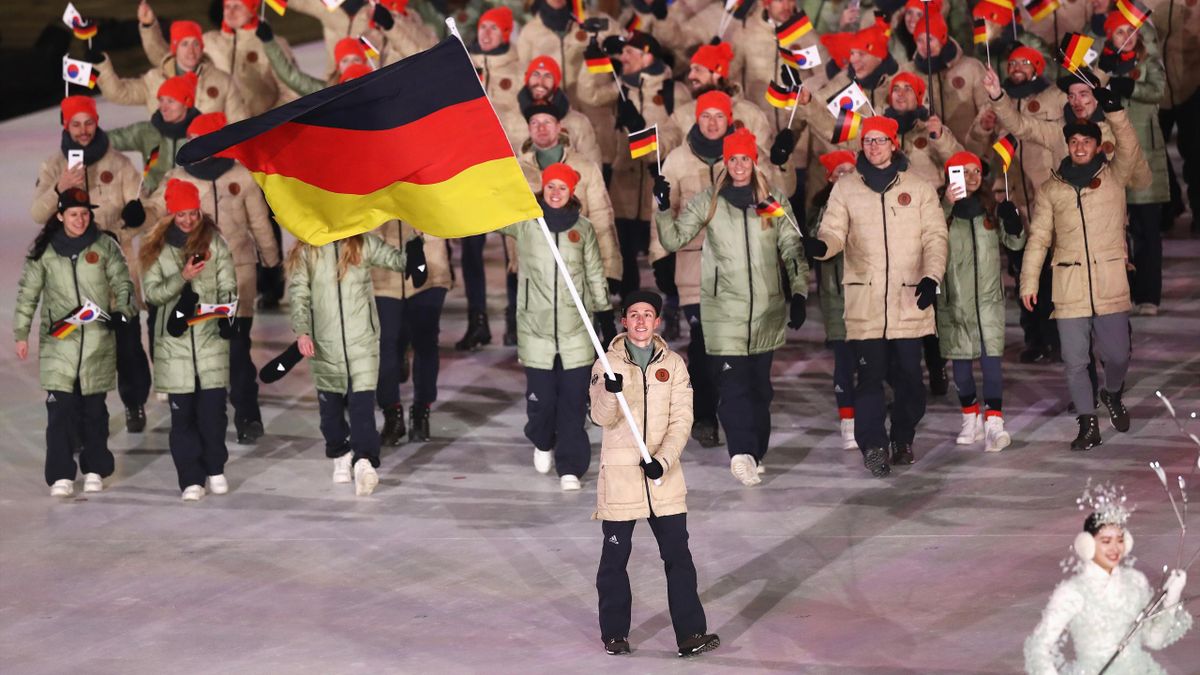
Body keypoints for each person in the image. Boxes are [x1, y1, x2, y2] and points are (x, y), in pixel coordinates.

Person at [656, 128, 808, 486]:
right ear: (725, 162)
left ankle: (754, 451)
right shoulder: (709, 201)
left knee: (760, 390)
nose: (739, 165)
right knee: (733, 386)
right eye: (733, 159)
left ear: (754, 162)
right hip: (723, 311)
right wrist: (664, 208)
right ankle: (740, 452)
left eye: (745, 158)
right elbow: (674, 238)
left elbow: (792, 248)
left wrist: (799, 292)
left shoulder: (772, 201)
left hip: (766, 311)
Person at [805, 116, 948, 477]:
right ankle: (873, 445)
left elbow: (935, 237)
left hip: (908, 298)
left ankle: (902, 437)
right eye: (868, 141)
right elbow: (833, 231)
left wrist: (931, 277)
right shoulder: (847, 189)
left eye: (880, 140)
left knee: (910, 381)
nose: (874, 147)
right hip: (866, 301)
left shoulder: (918, 187)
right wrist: (821, 247)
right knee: (868, 378)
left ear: (894, 143)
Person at [589, 290, 720, 659]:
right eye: (634, 314)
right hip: (620, 479)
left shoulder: (674, 364)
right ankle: (615, 634)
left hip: (663, 479)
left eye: (648, 314)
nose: (642, 321)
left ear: (658, 321)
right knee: (614, 561)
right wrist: (612, 392)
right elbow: (600, 417)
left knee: (679, 557)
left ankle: (691, 633)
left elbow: (682, 420)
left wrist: (662, 460)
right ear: (624, 322)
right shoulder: (606, 363)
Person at [1019, 86, 1145, 451]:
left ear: (1095, 144)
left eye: (1085, 141)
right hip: (1069, 282)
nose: (1078, 147)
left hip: (1109, 280)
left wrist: (1116, 111)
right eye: (1072, 141)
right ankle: (1088, 424)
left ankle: (1113, 392)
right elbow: (1040, 238)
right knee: (1075, 361)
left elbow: (1131, 148)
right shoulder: (1051, 190)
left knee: (1118, 355)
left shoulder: (1114, 177)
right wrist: (1029, 281)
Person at [147, 112, 281, 444]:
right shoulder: (178, 178)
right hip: (198, 278)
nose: (195, 146)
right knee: (205, 347)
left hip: (239, 273)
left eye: (200, 140)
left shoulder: (241, 176)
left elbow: (260, 222)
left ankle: (247, 415)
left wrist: (271, 260)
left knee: (238, 347)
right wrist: (137, 212)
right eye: (191, 141)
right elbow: (154, 211)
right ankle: (209, 405)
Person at [31, 96, 151, 433]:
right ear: (65, 126)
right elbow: (38, 214)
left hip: (117, 277)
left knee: (128, 347)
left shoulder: (120, 163)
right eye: (76, 124)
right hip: (75, 280)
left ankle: (134, 402)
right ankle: (83, 419)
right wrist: (60, 188)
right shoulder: (54, 166)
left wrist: (136, 215)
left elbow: (144, 205)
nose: (83, 131)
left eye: (89, 123)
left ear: (97, 122)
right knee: (83, 351)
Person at [14, 189, 135, 497]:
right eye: (73, 214)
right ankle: (61, 474)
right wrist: (21, 333)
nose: (80, 220)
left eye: (84, 214)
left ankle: (94, 468)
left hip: (96, 341)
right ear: (60, 216)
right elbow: (28, 293)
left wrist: (123, 311)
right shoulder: (46, 252)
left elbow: (123, 283)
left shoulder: (105, 246)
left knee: (94, 411)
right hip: (59, 343)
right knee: (60, 412)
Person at [502, 163, 611, 491]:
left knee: (573, 403)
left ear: (572, 192)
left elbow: (594, 273)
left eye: (562, 188)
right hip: (536, 330)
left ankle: (571, 466)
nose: (555, 192)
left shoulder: (584, 229)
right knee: (542, 402)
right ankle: (542, 438)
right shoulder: (526, 225)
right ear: (542, 189)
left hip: (576, 330)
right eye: (550, 186)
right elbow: (490, 217)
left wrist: (604, 314)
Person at [286, 231, 414, 497]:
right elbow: (299, 293)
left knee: (362, 406)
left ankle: (364, 460)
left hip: (362, 342)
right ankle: (339, 451)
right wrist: (302, 331)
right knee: (330, 414)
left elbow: (399, 261)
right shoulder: (308, 250)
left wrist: (416, 243)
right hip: (325, 343)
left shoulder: (362, 243)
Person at [578, 32, 689, 325]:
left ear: (647, 55)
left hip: (660, 185)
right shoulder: (621, 86)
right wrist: (592, 59)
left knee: (663, 252)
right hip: (624, 184)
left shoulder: (672, 91)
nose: (623, 58)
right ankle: (629, 310)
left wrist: (642, 129)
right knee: (625, 251)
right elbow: (589, 94)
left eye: (629, 52)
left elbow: (681, 137)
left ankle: (673, 306)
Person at [140, 180, 237, 502]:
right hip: (174, 346)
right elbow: (152, 293)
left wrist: (224, 311)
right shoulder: (155, 247)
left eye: (193, 213)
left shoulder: (216, 244)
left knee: (213, 415)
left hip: (210, 343)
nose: (188, 220)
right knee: (182, 418)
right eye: (181, 214)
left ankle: (215, 468)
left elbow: (229, 286)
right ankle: (190, 477)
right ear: (171, 213)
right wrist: (182, 278)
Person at [969, 45, 1066, 365]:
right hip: (1011, 196)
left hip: (1045, 195)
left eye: (1024, 62)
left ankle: (1055, 337)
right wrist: (982, 127)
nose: (1017, 68)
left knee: (1050, 272)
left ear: (1037, 65)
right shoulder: (995, 98)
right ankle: (1034, 338)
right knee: (1022, 269)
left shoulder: (1054, 96)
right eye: (1011, 63)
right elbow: (975, 147)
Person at [1024, 489, 1192, 673]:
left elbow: (1154, 640)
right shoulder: (1074, 591)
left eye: (1120, 540)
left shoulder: (1135, 581)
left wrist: (1171, 597)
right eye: (1106, 541)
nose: (1115, 548)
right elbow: (1039, 646)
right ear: (1087, 544)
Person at [939, 151, 1024, 453]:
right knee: (960, 366)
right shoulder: (940, 211)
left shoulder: (991, 208)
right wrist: (947, 203)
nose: (972, 176)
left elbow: (1014, 242)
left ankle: (994, 422)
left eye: (976, 171)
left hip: (989, 301)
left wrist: (1014, 224)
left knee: (991, 363)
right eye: (964, 171)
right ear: (951, 176)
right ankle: (970, 417)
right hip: (955, 301)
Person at [1096, 10, 1170, 316]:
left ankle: (1148, 294)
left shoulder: (1148, 60)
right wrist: (1105, 75)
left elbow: (1158, 91)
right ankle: (1119, 290)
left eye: (1131, 30)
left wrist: (1131, 88)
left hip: (1145, 155)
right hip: (1111, 157)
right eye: (1119, 31)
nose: (1127, 35)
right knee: (1115, 230)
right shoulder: (1102, 65)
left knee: (1147, 229)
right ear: (1109, 36)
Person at [137, 0, 301, 117]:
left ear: (252, 8)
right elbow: (168, 60)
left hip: (267, 130)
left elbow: (292, 92)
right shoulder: (209, 42)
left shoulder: (273, 44)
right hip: (223, 137)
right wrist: (149, 27)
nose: (230, 12)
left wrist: (267, 122)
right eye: (227, 6)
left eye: (237, 6)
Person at [371, 221, 445, 444]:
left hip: (430, 264)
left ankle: (422, 412)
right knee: (386, 345)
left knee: (426, 343)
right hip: (383, 269)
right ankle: (392, 413)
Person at [95, 19, 248, 122]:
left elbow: (239, 125)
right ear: (174, 48)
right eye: (184, 44)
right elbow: (119, 93)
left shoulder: (222, 81)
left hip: (211, 163)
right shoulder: (155, 80)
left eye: (196, 44)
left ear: (202, 47)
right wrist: (101, 66)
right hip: (168, 162)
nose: (191, 50)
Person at [807, 150, 859, 450]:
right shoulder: (820, 208)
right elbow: (816, 240)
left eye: (850, 170)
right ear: (830, 179)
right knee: (843, 359)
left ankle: (868, 413)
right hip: (837, 296)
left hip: (867, 294)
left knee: (869, 361)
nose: (846, 176)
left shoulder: (868, 200)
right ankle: (847, 420)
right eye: (839, 172)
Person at [108, 73, 201, 194]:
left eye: (170, 101)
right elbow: (111, 139)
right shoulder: (147, 131)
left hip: (192, 204)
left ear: (187, 103)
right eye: (161, 100)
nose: (163, 107)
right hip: (153, 202)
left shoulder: (204, 132)